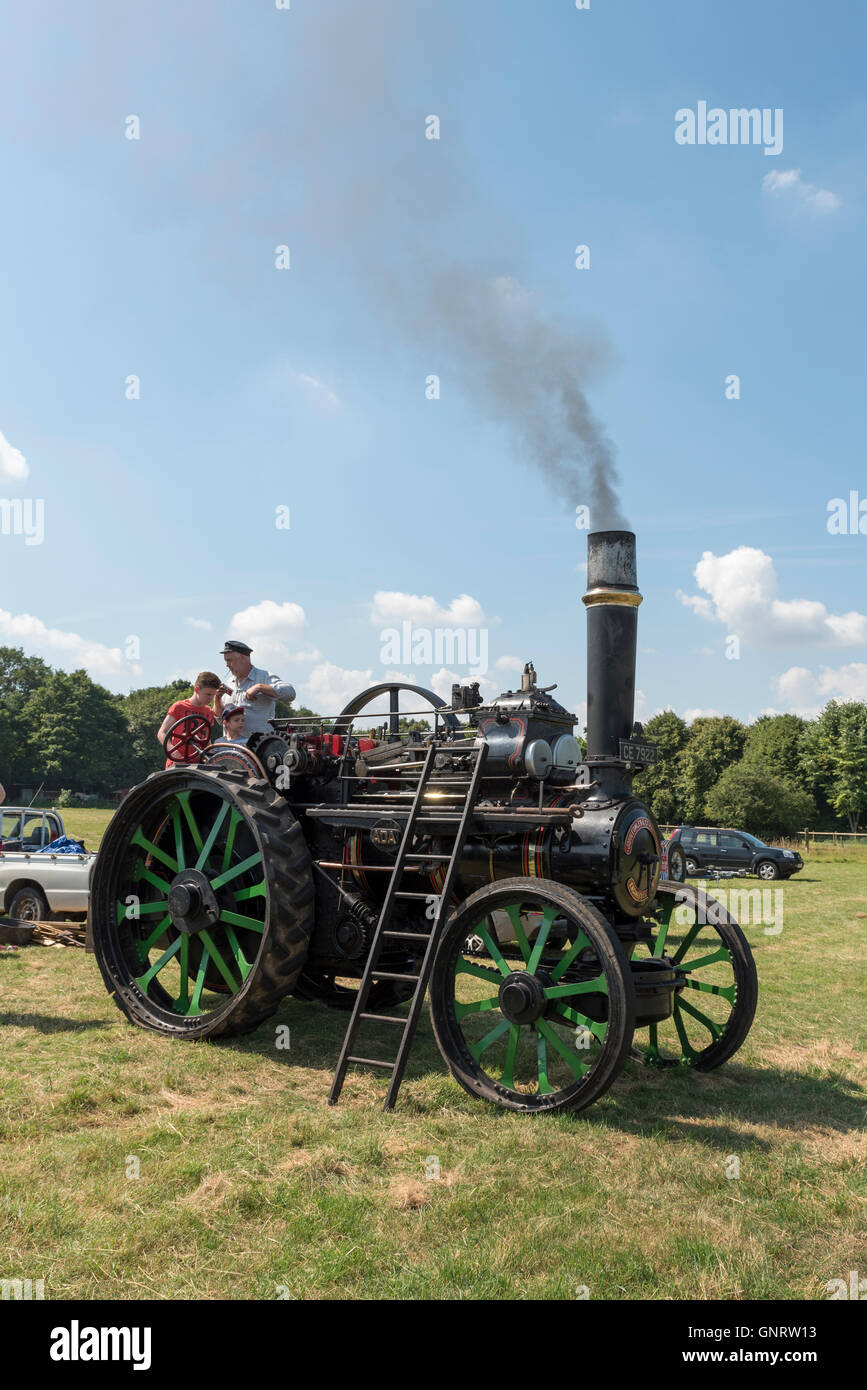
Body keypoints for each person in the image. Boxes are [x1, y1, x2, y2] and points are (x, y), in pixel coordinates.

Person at [215, 640, 295, 740]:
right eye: (226, 661)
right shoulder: (228, 683)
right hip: (233, 750)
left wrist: (260, 687)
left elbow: (290, 693)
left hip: (260, 748)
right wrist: (217, 699)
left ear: (243, 658)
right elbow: (221, 720)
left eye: (229, 660)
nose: (227, 665)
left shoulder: (264, 677)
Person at [157, 672, 222, 769]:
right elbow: (161, 733)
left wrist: (210, 755)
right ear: (196, 689)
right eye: (208, 694)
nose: (210, 698)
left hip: (198, 764)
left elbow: (206, 739)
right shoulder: (179, 707)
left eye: (213, 695)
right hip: (177, 763)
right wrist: (173, 751)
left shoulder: (208, 711)